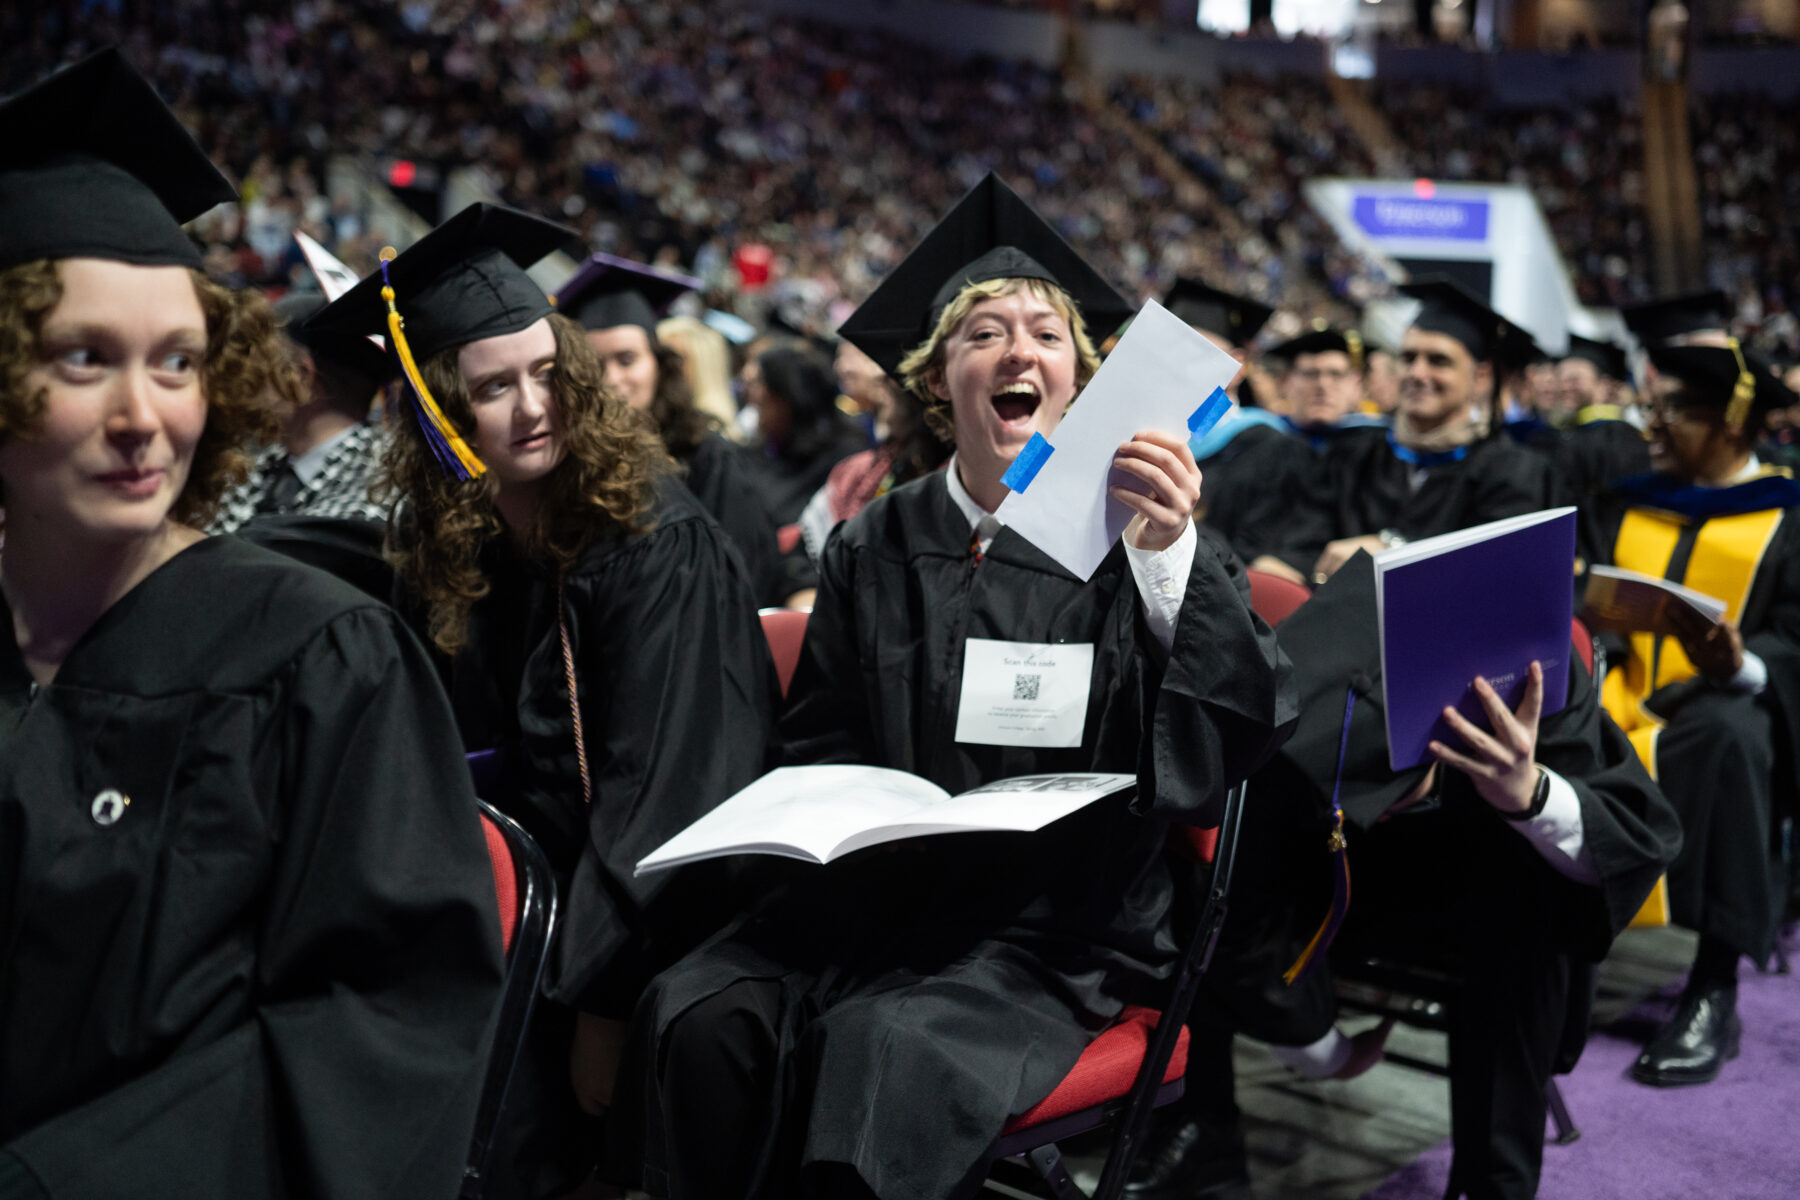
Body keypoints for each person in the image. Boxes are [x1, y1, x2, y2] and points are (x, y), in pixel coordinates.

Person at [602, 172, 1297, 1200]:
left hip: (1054, 931)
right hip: (877, 901)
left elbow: (1230, 740)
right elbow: (822, 733)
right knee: (699, 1008)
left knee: (889, 1053)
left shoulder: (1142, 531)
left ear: (1080, 380)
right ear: (937, 382)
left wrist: (1168, 562)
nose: (1019, 350)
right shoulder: (879, 540)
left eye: (1047, 335)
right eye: (983, 332)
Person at [0, 50, 502, 1199]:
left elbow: (383, 1035)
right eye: (86, 358)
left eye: (178, 362)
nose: (144, 417)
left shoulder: (318, 657)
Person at [308, 202, 780, 1197]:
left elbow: (671, 793)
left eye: (547, 373)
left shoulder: (659, 547)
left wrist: (599, 1001)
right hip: (521, 898)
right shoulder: (463, 542)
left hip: (647, 929)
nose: (534, 407)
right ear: (435, 413)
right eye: (491, 388)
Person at [1130, 553, 1679, 1200]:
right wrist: (1318, 1044)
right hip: (1328, 895)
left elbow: (1633, 839)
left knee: (1530, 898)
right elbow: (1238, 909)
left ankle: (1491, 1181)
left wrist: (1527, 794)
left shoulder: (1541, 680)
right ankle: (1205, 1138)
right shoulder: (1299, 718)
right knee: (1191, 862)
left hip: (1487, 902)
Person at [1587, 342, 1800, 1088]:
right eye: (1651, 405)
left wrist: (1737, 666)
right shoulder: (1630, 496)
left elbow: (1796, 636)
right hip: (1619, 688)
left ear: (1733, 426)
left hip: (1726, 705)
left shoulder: (1789, 513)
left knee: (1734, 739)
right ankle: (1550, 958)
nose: (1650, 424)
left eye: (1671, 410)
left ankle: (1715, 986)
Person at [1254, 279, 1563, 584]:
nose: (1417, 373)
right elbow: (1303, 545)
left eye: (1438, 361)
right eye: (1408, 357)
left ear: (1480, 377)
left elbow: (1496, 573)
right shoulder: (1352, 456)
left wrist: (1393, 551)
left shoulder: (1514, 472)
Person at [558, 253, 784, 606]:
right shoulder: (566, 460)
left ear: (659, 365)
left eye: (627, 359)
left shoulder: (707, 456)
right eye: (593, 365)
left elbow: (745, 576)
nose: (611, 380)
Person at [1164, 278, 1287, 553]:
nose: (1184, 364)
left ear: (1238, 366)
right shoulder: (1148, 433)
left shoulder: (1268, 444)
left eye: (1201, 351)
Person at [1553, 334, 1650, 506]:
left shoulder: (1620, 438)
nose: (1564, 387)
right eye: (1559, 380)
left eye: (1575, 379)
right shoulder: (1557, 435)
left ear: (1604, 385)